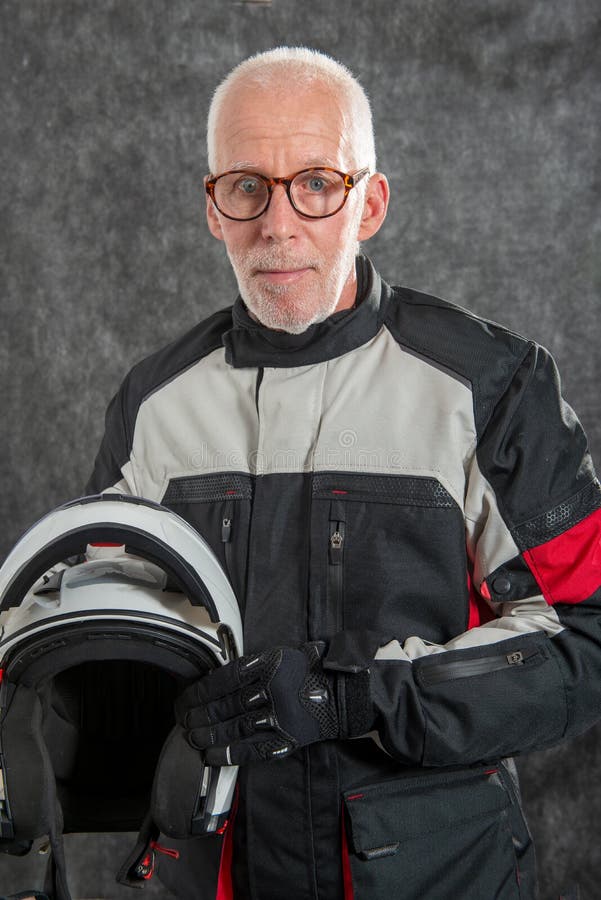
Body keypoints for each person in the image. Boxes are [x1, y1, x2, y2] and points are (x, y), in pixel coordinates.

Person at [86, 46, 601, 900]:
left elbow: (585, 631)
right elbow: (103, 632)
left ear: (371, 202)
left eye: (317, 183)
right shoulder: (151, 404)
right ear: (213, 209)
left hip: (433, 875)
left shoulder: (489, 385)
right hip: (223, 873)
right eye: (246, 186)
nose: (277, 225)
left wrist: (355, 701)